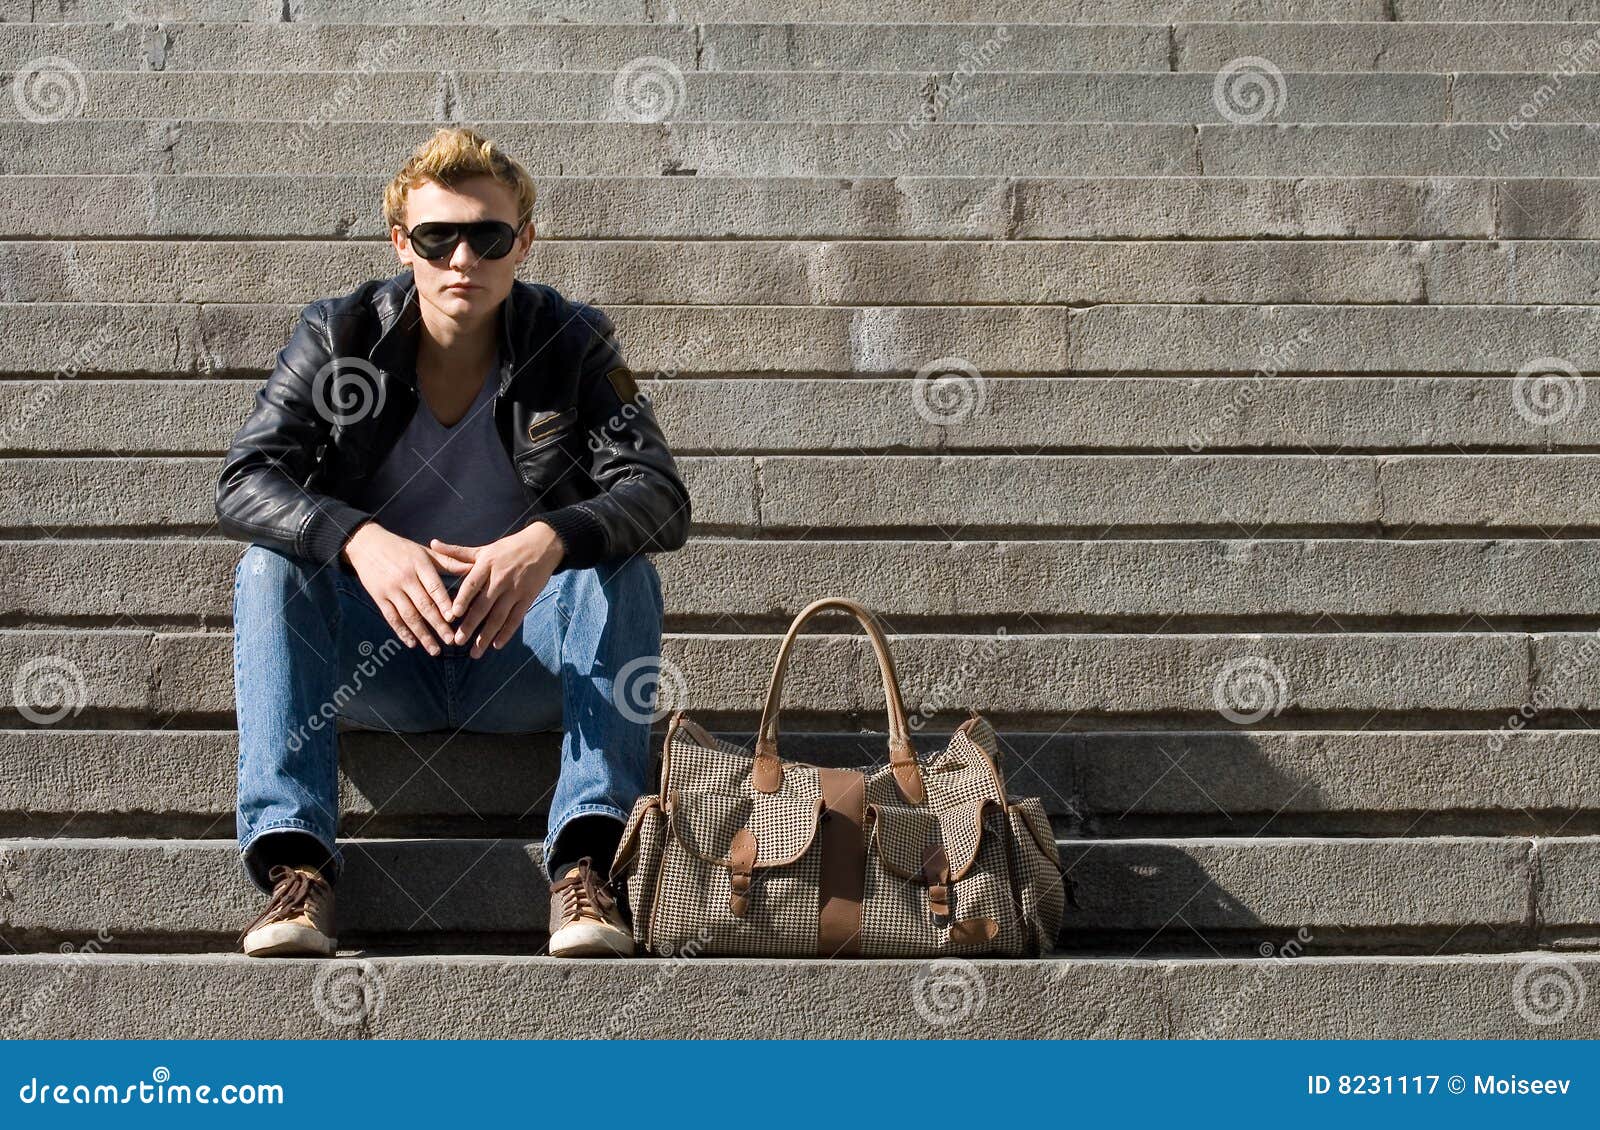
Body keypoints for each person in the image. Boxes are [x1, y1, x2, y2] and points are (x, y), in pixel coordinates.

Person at [214, 126, 690, 959]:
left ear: (524, 241)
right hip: (377, 659)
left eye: (488, 235)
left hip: (524, 657)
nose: (461, 258)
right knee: (268, 569)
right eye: (437, 237)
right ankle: (299, 871)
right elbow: (247, 479)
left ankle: (585, 866)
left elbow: (659, 496)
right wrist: (358, 536)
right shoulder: (339, 334)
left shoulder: (571, 340)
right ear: (403, 243)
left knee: (621, 573)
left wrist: (548, 538)